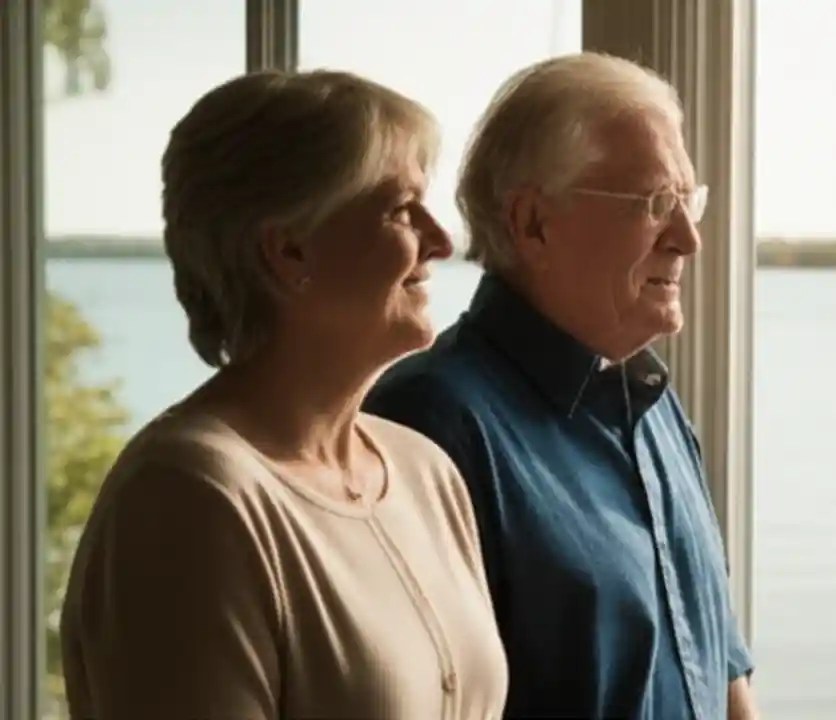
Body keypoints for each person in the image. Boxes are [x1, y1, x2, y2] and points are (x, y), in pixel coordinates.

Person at [59, 69, 507, 719]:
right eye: (401, 209)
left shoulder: (425, 473)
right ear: (289, 250)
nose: (440, 242)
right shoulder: (191, 496)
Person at [364, 52, 759, 719]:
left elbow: (720, 672)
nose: (688, 238)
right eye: (656, 203)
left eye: (689, 201)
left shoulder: (653, 402)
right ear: (533, 223)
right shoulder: (429, 423)